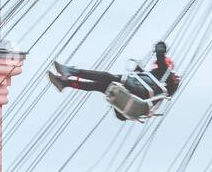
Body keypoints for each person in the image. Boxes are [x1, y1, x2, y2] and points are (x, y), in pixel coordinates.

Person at [48, 41, 180, 118]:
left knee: (106, 77)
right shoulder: (158, 78)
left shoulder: (167, 74)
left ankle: (70, 71)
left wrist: (160, 47)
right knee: (101, 85)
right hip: (138, 98)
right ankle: (64, 83)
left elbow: (161, 58)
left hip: (140, 93)